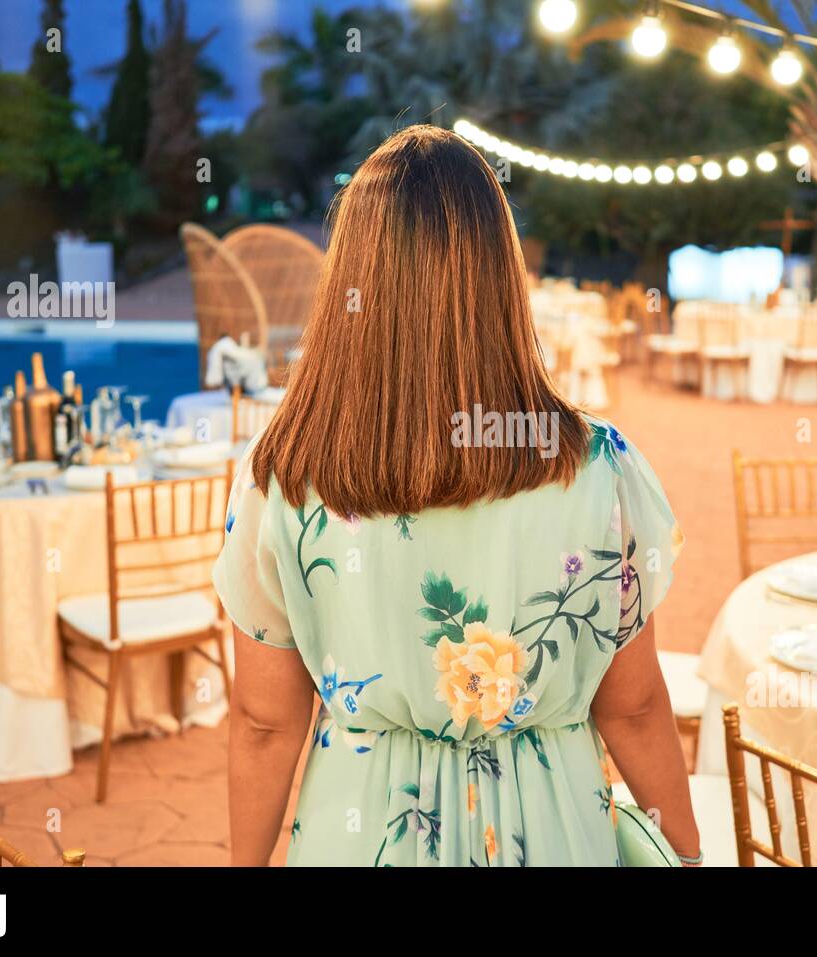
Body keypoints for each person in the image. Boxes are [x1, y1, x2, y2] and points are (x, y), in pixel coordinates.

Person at [215, 124, 699, 866]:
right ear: (501, 276)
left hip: (361, 830)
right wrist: (689, 856)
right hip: (553, 831)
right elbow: (632, 707)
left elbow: (263, 722)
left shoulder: (281, 473)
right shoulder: (600, 469)